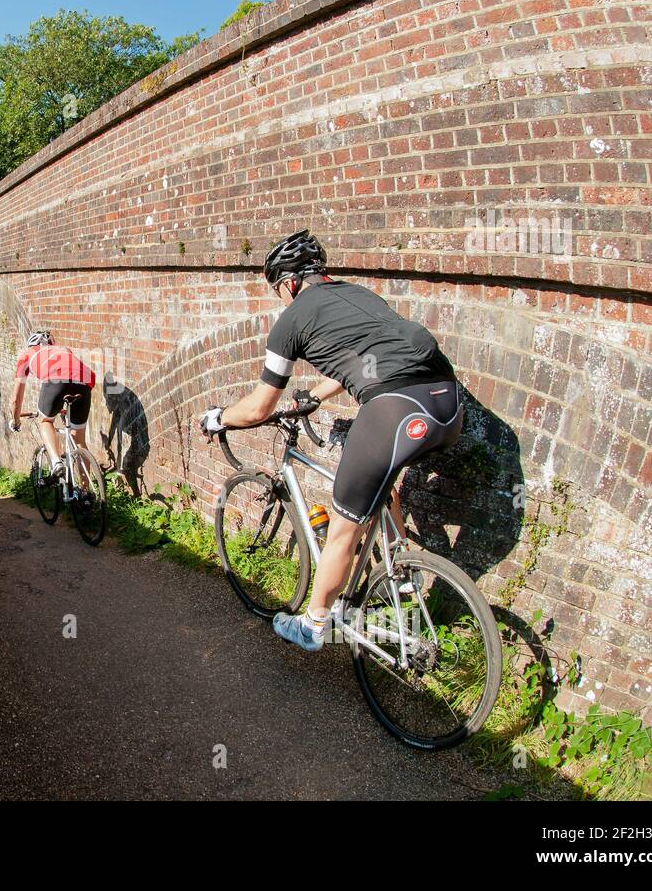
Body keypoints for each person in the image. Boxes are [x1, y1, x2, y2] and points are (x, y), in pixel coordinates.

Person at [197, 229, 463, 651]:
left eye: (279, 291)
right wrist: (313, 397)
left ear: (288, 283)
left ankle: (314, 625)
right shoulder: (359, 295)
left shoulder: (292, 319)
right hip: (446, 406)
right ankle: (400, 574)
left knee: (343, 527)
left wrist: (219, 419)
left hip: (395, 409)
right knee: (382, 482)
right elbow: (369, 359)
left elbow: (259, 409)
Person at [9, 331, 98, 476]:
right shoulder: (64, 350)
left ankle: (56, 462)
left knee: (45, 421)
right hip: (84, 382)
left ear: (32, 345)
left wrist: (16, 420)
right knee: (79, 439)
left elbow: (16, 398)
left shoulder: (27, 354)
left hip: (55, 380)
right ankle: (85, 492)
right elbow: (70, 377)